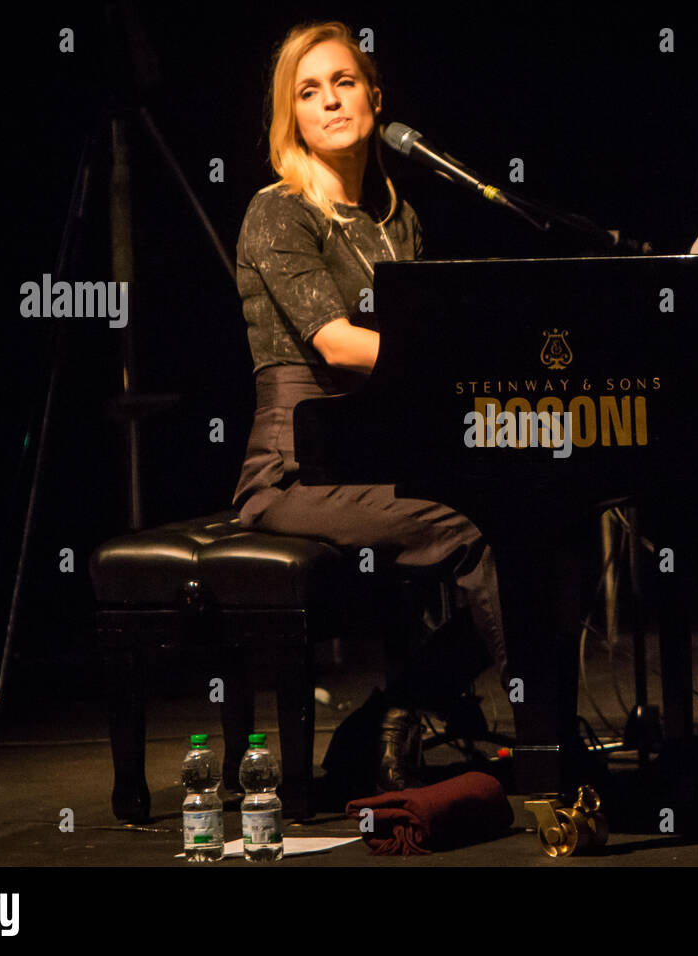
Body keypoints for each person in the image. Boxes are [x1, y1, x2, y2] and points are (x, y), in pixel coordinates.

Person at [230, 21, 507, 792]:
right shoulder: (279, 211)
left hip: (378, 446)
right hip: (296, 468)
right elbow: (338, 344)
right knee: (478, 527)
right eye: (308, 91)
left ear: (375, 98)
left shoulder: (395, 218)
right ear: (292, 117)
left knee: (552, 519)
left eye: (344, 82)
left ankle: (406, 699)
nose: (330, 101)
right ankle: (544, 737)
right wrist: (467, 369)